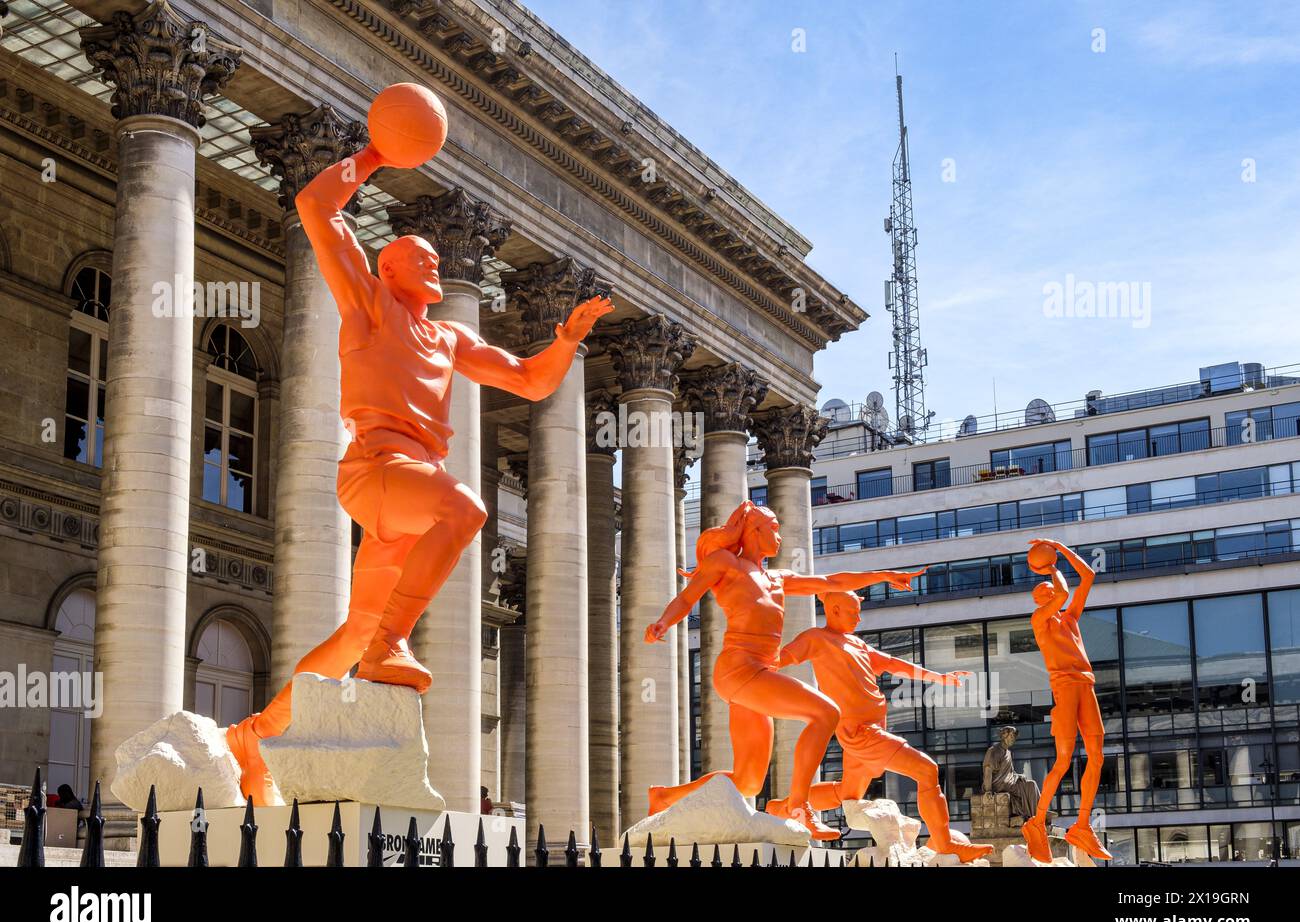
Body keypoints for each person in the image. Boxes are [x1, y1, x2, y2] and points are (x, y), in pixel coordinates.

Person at [226, 136, 613, 804]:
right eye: (418, 256)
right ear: (388, 268)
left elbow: (526, 381)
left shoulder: (449, 337)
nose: (433, 261)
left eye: (436, 256)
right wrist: (374, 154)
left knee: (352, 631)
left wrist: (567, 340)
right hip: (376, 469)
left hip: (406, 485)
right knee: (465, 510)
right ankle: (394, 641)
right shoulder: (367, 304)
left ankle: (256, 735)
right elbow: (317, 205)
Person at [643, 500, 924, 840]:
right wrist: (662, 623)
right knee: (825, 713)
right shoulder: (725, 563)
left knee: (748, 781)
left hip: (756, 676)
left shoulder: (777, 579)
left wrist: (884, 576)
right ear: (753, 531)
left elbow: (831, 581)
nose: (779, 536)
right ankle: (799, 806)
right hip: (738, 669)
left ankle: (664, 797)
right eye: (773, 528)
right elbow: (689, 598)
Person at [767, 591, 994, 863]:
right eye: (853, 612)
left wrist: (939, 677)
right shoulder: (816, 639)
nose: (858, 618)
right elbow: (783, 657)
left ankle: (781, 807)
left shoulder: (857, 644)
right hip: (861, 733)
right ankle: (945, 844)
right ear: (834, 610)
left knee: (846, 793)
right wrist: (752, 672)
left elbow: (891, 664)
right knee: (927, 770)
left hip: (871, 727)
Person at [1022, 537, 1111, 862]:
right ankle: (1036, 821)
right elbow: (1062, 592)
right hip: (1064, 688)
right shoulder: (1040, 621)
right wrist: (1053, 564)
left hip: (1085, 685)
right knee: (1063, 760)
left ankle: (1083, 824)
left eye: (1048, 587)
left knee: (1097, 755)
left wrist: (1061, 547)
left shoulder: (1070, 619)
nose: (1048, 591)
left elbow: (1087, 576)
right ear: (1038, 600)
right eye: (1042, 590)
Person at [981, 724, 1043, 822]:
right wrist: (988, 790)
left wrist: (1018, 776)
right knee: (1028, 786)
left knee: (1031, 784)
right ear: (1003, 736)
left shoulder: (1008, 752)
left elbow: (1010, 772)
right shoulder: (993, 751)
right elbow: (988, 771)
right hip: (999, 784)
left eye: (1014, 737)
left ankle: (1039, 814)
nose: (1013, 739)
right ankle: (1035, 815)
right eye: (1011, 736)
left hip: (1009, 782)